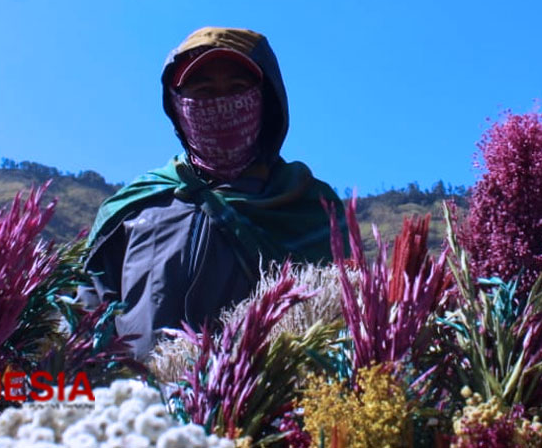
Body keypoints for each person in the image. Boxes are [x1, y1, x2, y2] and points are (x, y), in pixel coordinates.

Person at [81, 26, 345, 358]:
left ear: (268, 101)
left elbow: (343, 323)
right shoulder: (135, 209)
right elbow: (85, 319)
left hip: (269, 406)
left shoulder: (313, 209)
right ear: (177, 106)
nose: (221, 102)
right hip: (140, 405)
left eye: (237, 88)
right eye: (203, 90)